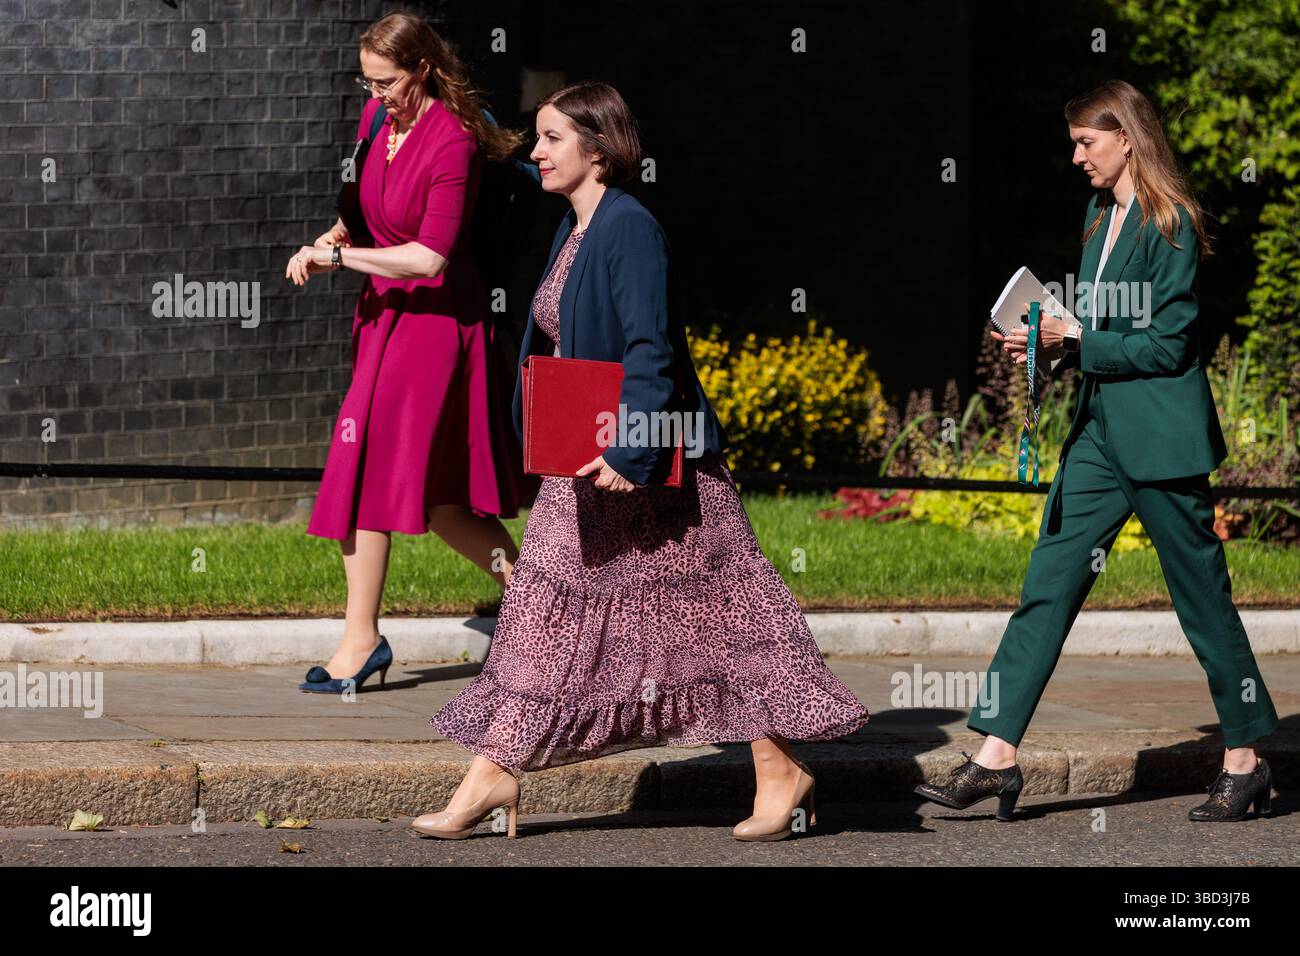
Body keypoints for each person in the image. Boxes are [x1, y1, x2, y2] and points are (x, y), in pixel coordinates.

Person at [412, 80, 870, 842]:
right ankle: (493, 775)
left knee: (724, 618)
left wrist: (631, 446)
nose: (537, 151)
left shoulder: (629, 227)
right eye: (537, 137)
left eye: (552, 138)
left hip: (650, 468)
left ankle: (780, 769)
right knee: (540, 617)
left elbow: (652, 348)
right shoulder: (577, 227)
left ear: (598, 147)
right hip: (585, 466)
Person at [915, 79, 1278, 823]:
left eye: (1087, 141)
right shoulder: (1096, 215)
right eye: (1075, 142)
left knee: (1203, 602)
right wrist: (1044, 342)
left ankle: (1246, 760)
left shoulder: (1170, 221)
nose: (1076, 156)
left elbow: (1167, 343)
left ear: (1128, 139)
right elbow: (1102, 333)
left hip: (1164, 442)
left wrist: (1074, 336)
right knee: (1047, 583)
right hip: (1099, 435)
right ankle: (995, 755)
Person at [284, 12, 529, 693]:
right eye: (367, 82)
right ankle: (546, 605)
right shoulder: (374, 124)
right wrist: (327, 239)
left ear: (423, 67)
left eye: (387, 82)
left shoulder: (452, 141)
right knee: (442, 499)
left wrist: (341, 259)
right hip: (384, 319)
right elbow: (362, 213)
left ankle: (364, 642)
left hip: (437, 328)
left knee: (382, 473)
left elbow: (429, 257)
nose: (376, 95)